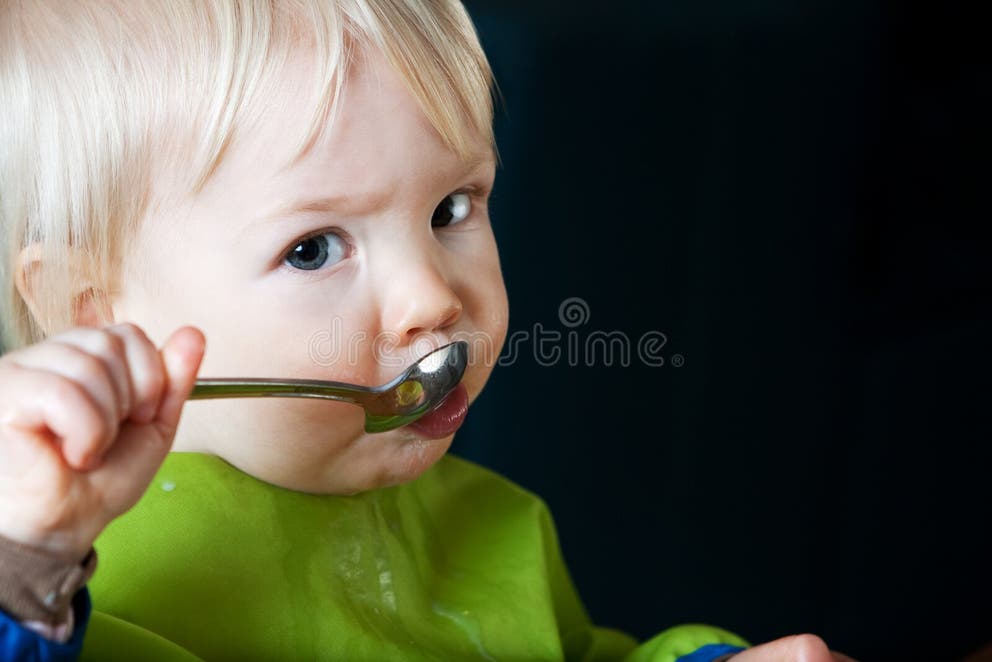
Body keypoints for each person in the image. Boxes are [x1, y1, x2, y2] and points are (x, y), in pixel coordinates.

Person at [0, 1, 855, 660]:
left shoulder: (492, 520)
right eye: (313, 249)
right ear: (95, 309)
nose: (432, 298)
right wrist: (25, 571)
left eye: (452, 207)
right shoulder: (81, 587)